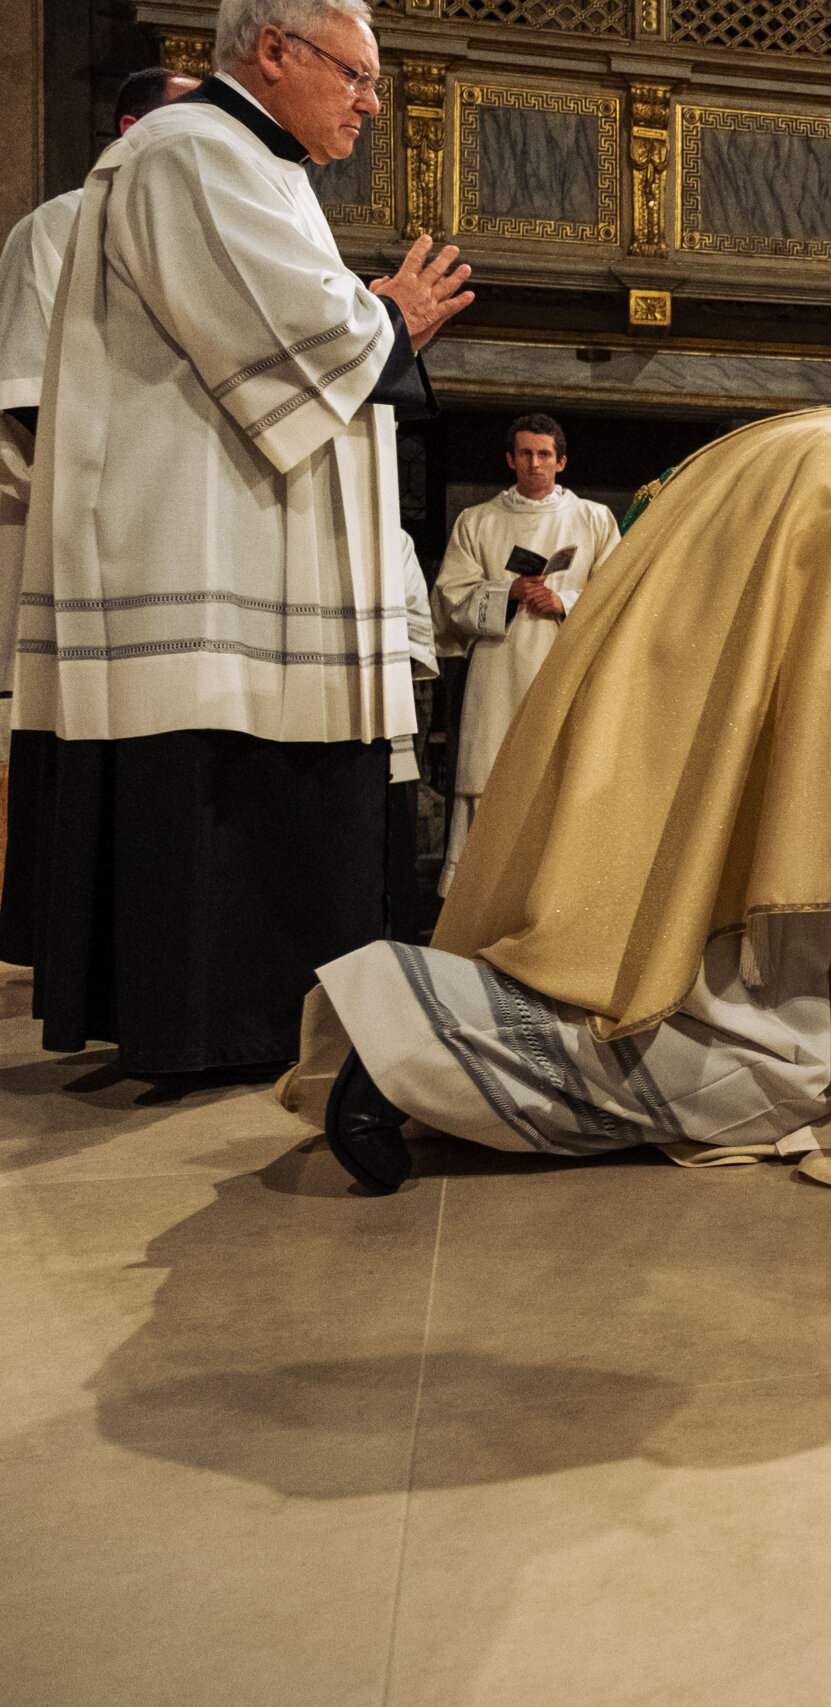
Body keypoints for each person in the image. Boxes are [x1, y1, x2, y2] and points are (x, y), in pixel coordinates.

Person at [298, 337, 831, 1195]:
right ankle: (414, 1027)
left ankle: (418, 1046)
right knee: (781, 1068)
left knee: (693, 1012)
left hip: (683, 762)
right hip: (744, 804)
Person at [0, 0, 475, 1080]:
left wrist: (378, 319)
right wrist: (389, 314)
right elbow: (293, 335)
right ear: (274, 50)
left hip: (250, 540)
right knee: (217, 793)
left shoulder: (262, 172)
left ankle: (249, 1022)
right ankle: (217, 1027)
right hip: (202, 550)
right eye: (355, 74)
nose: (370, 101)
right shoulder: (187, 153)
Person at [0, 67, 201, 697]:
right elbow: (30, 393)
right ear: (131, 130)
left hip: (157, 523)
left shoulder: (195, 236)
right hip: (61, 511)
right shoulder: (59, 225)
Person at [433, 412, 620, 894]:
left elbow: (619, 595)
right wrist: (508, 593)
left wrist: (563, 601)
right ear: (509, 459)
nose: (534, 464)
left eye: (544, 455)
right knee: (490, 775)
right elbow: (451, 598)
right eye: (525, 454)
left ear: (561, 461)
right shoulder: (477, 521)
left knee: (558, 779)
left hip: (564, 664)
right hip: (498, 667)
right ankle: (477, 894)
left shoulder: (594, 519)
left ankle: (555, 896)